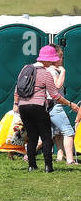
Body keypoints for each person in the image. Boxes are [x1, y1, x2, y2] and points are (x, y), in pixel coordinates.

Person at [14, 44, 81, 173]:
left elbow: (17, 89)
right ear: (47, 59)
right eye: (52, 60)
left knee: (32, 137)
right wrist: (70, 103)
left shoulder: (25, 69)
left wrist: (16, 105)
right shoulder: (46, 74)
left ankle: (31, 166)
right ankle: (48, 166)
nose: (53, 62)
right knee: (46, 137)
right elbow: (55, 95)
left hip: (23, 107)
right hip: (38, 107)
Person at [46, 52, 76, 165]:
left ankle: (28, 156)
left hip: (49, 105)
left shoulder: (47, 70)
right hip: (55, 104)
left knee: (53, 133)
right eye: (61, 57)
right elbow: (57, 85)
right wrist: (63, 71)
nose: (62, 59)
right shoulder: (53, 71)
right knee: (68, 132)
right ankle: (70, 160)